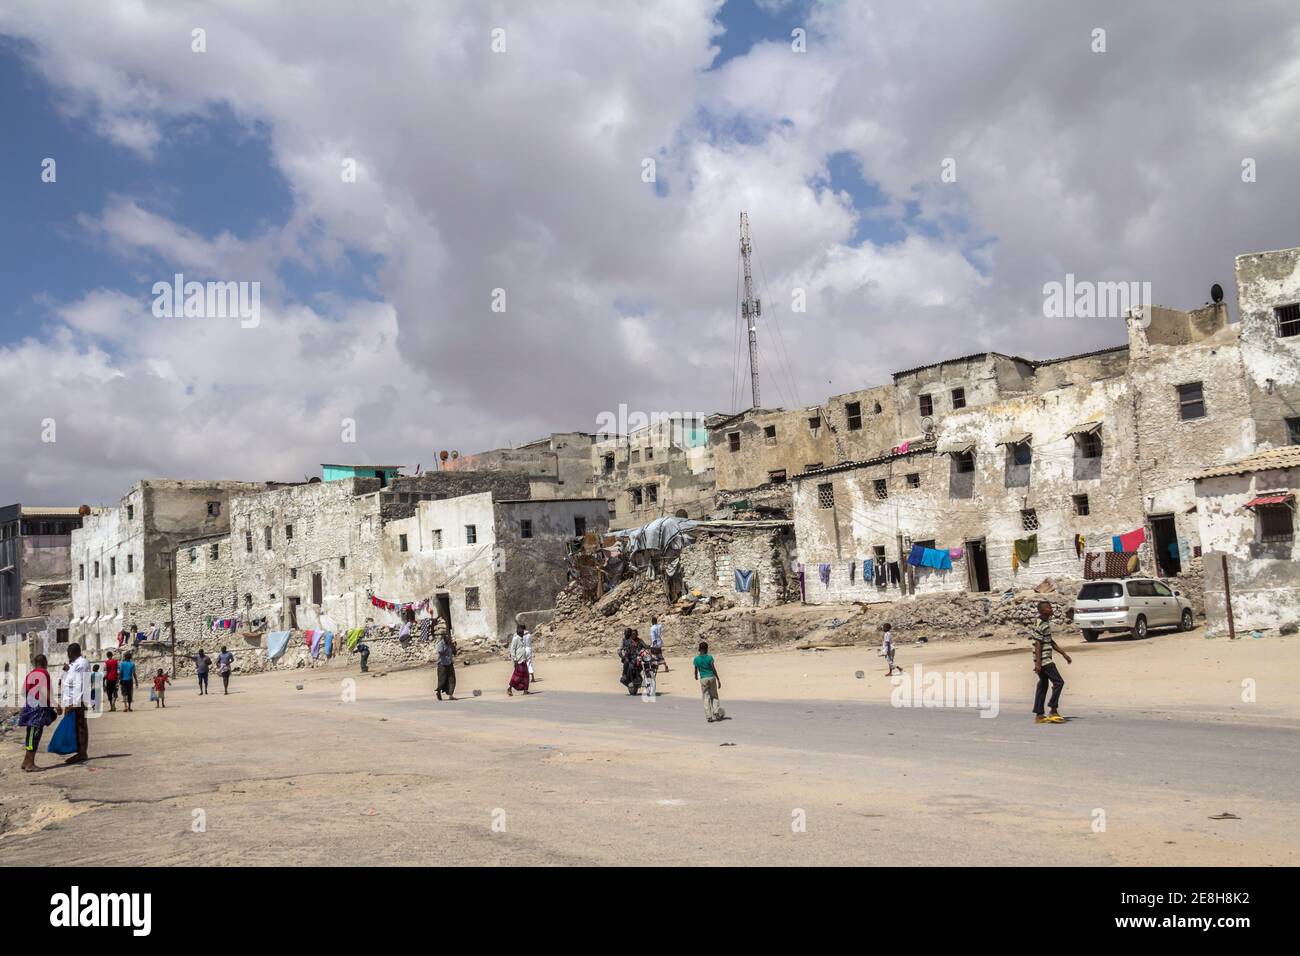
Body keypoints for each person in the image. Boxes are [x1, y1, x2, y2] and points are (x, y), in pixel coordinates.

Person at [1031, 601, 1072, 724]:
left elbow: (1049, 641)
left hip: (1042, 659)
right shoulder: (1040, 624)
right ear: (1043, 611)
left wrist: (1063, 654)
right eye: (1049, 608)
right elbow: (1038, 644)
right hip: (1044, 660)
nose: (1051, 609)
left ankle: (1039, 715)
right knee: (1059, 682)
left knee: (1043, 684)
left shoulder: (1043, 622)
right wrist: (1038, 664)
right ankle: (1053, 710)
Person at [19, 654, 54, 772]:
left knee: (30, 735)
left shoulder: (30, 674)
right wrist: (54, 704)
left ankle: (26, 761)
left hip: (30, 707)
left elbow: (23, 691)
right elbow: (44, 690)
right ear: (44, 662)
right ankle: (30, 764)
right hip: (38, 709)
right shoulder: (44, 673)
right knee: (35, 736)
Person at [59, 643, 90, 764]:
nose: (68, 656)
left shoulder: (81, 663)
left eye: (68, 654)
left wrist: (75, 702)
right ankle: (79, 751)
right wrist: (68, 669)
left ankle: (82, 753)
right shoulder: (75, 664)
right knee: (76, 726)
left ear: (71, 653)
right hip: (72, 700)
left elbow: (80, 683)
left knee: (80, 726)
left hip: (77, 701)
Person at [693, 641, 725, 722]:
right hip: (711, 677)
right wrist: (718, 679)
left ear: (699, 649)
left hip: (703, 679)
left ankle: (709, 717)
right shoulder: (709, 657)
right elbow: (713, 669)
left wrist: (696, 676)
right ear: (706, 649)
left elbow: (696, 670)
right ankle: (716, 712)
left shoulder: (696, 659)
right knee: (714, 696)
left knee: (706, 697)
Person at [618, 628, 644, 695]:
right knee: (626, 661)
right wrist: (622, 656)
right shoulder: (624, 640)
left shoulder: (634, 639)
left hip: (635, 656)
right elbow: (620, 649)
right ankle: (624, 675)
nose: (625, 634)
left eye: (627, 633)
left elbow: (640, 645)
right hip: (627, 656)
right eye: (625, 632)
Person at [507, 624, 531, 696]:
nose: (523, 632)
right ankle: (510, 688)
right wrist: (515, 660)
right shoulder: (516, 639)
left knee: (526, 676)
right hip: (518, 660)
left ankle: (525, 690)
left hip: (523, 660)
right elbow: (512, 650)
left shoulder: (522, 638)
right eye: (521, 631)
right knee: (517, 676)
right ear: (518, 632)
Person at [435, 631, 457, 701]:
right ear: (444, 637)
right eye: (447, 637)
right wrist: (447, 647)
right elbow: (440, 652)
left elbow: (454, 653)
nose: (448, 638)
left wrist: (454, 646)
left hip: (450, 663)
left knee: (452, 679)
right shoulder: (440, 644)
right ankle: (438, 692)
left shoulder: (450, 644)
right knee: (442, 680)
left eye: (449, 637)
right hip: (442, 664)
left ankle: (451, 695)